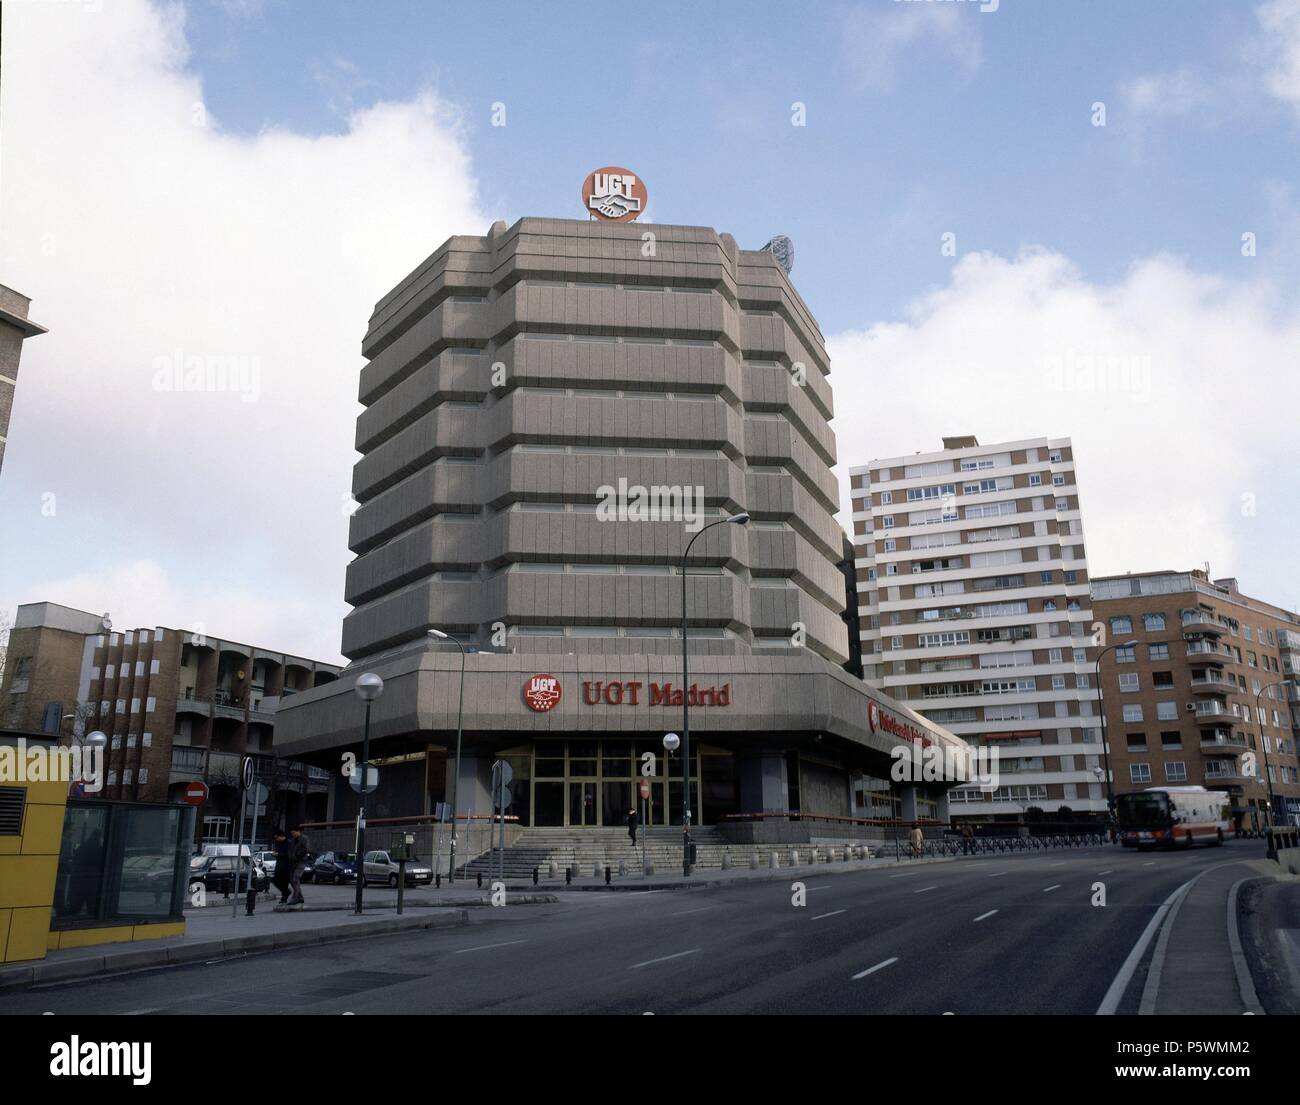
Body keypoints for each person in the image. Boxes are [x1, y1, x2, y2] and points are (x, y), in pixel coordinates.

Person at [285, 826, 310, 906]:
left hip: (301, 862)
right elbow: (290, 850)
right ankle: (300, 897)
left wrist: (297, 856)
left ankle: (295, 898)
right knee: (292, 880)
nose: (293, 834)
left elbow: (306, 849)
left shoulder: (304, 839)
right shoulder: (292, 840)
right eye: (291, 833)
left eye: (294, 833)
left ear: (298, 831)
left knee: (296, 878)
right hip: (292, 862)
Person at [271, 829, 291, 904]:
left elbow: (289, 855)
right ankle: (286, 892)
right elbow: (277, 852)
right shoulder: (278, 843)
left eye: (276, 838)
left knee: (284, 882)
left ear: (282, 836)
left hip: (286, 866)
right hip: (279, 865)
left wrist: (278, 855)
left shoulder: (289, 843)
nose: (276, 839)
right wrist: (275, 854)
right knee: (274, 880)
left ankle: (284, 898)